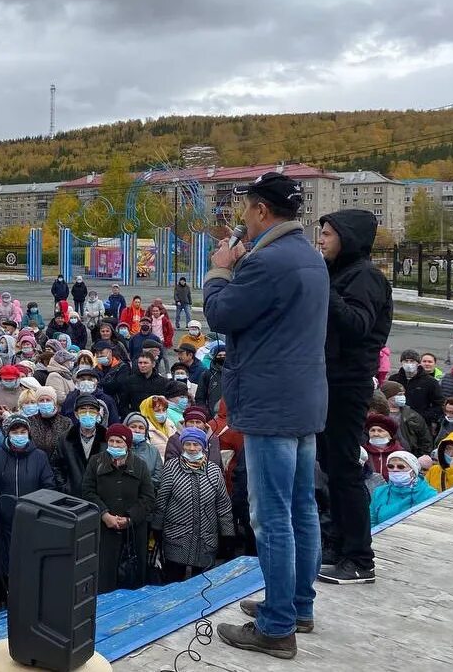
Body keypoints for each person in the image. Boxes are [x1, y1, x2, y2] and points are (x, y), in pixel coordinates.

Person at [204, 170, 328, 660]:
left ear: (260, 211)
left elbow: (221, 314)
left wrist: (218, 270)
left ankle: (277, 628)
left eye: (247, 210)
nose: (243, 220)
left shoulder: (267, 262)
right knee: (301, 508)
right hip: (302, 400)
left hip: (271, 405)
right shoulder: (310, 256)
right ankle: (297, 605)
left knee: (271, 515)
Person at [315, 209, 392, 586]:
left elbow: (358, 325)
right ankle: (339, 544)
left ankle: (360, 557)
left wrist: (325, 290)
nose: (322, 240)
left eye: (328, 234)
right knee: (330, 466)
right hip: (329, 381)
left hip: (348, 384)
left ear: (348, 237)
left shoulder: (367, 278)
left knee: (345, 470)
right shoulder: (339, 273)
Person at [0, 414, 56, 608]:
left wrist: (37, 507)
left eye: (23, 431)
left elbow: (49, 485)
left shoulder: (39, 456)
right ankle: (3, 600)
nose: (19, 435)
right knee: (3, 563)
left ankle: (29, 602)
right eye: (15, 432)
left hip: (31, 520)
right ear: (7, 434)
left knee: (29, 563)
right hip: (4, 521)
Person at [152, 427, 233, 583]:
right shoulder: (172, 467)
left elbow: (223, 506)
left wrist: (228, 535)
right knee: (173, 583)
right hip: (177, 537)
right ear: (182, 445)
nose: (192, 448)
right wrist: (157, 527)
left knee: (202, 586)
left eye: (196, 445)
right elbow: (162, 500)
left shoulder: (214, 471)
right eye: (188, 444)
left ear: (203, 446)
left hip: (206, 540)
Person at [369, 450, 437, 525]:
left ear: (413, 471)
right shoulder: (379, 492)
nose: (395, 469)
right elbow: (371, 522)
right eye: (390, 466)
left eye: (400, 467)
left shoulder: (430, 494)